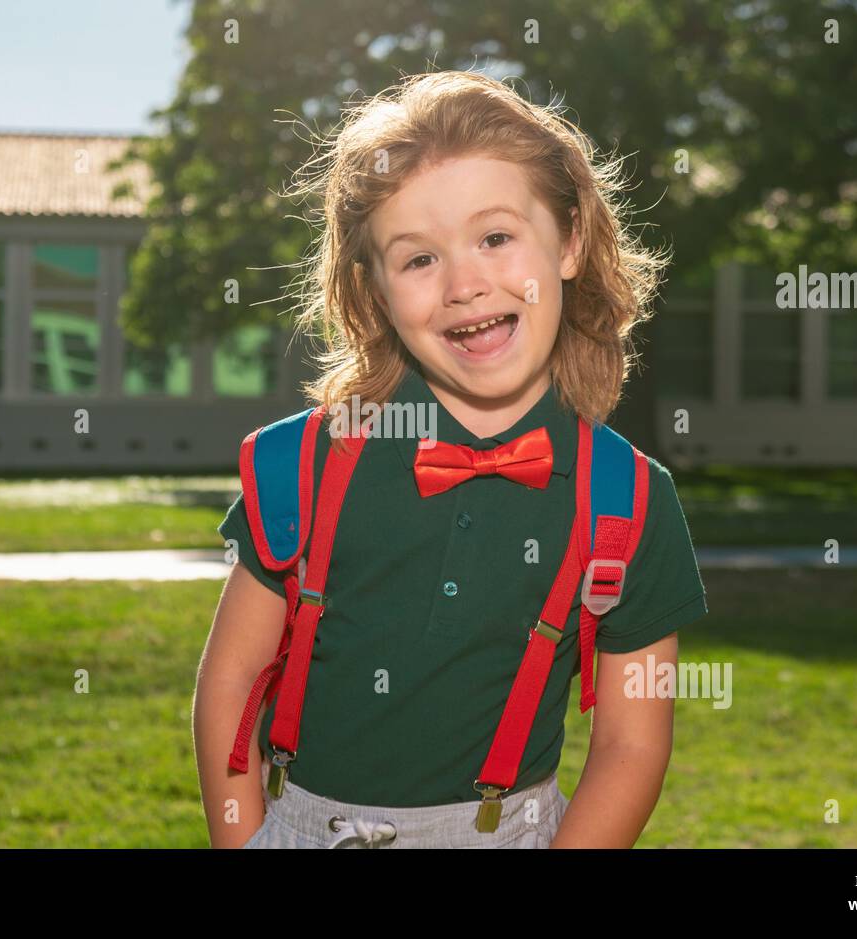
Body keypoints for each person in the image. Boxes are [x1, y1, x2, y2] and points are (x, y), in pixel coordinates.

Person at [193, 70, 707, 848]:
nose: (465, 284)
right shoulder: (302, 464)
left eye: (496, 238)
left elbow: (632, 744)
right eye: (418, 259)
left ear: (568, 242)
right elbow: (230, 681)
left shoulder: (630, 500)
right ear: (374, 290)